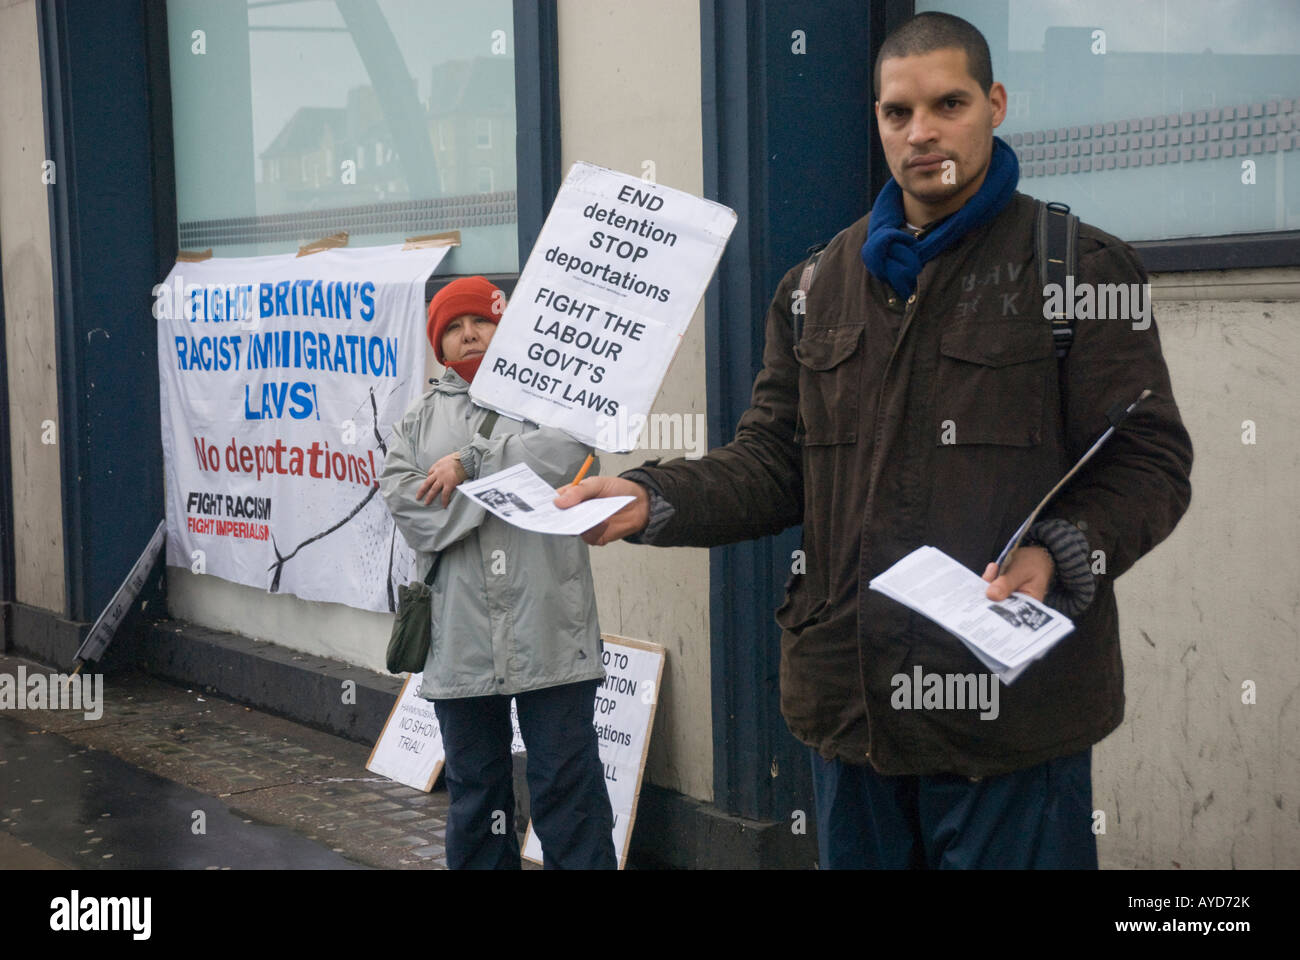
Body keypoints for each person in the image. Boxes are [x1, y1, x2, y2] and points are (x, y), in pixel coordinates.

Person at [555, 12, 1193, 869]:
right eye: (898, 112)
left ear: (995, 104)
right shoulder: (815, 285)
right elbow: (773, 463)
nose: (922, 132)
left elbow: (1148, 461)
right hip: (854, 717)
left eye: (948, 103)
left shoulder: (1078, 271)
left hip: (1009, 724)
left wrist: (1061, 550)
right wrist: (651, 496)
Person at [379, 275, 616, 870]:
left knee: (569, 788)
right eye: (453, 329)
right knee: (476, 794)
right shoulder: (414, 424)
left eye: (478, 322)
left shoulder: (553, 402)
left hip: (550, 628)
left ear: (502, 325)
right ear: (440, 345)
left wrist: (469, 466)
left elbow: (567, 455)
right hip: (459, 643)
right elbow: (412, 510)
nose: (468, 336)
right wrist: (508, 488)